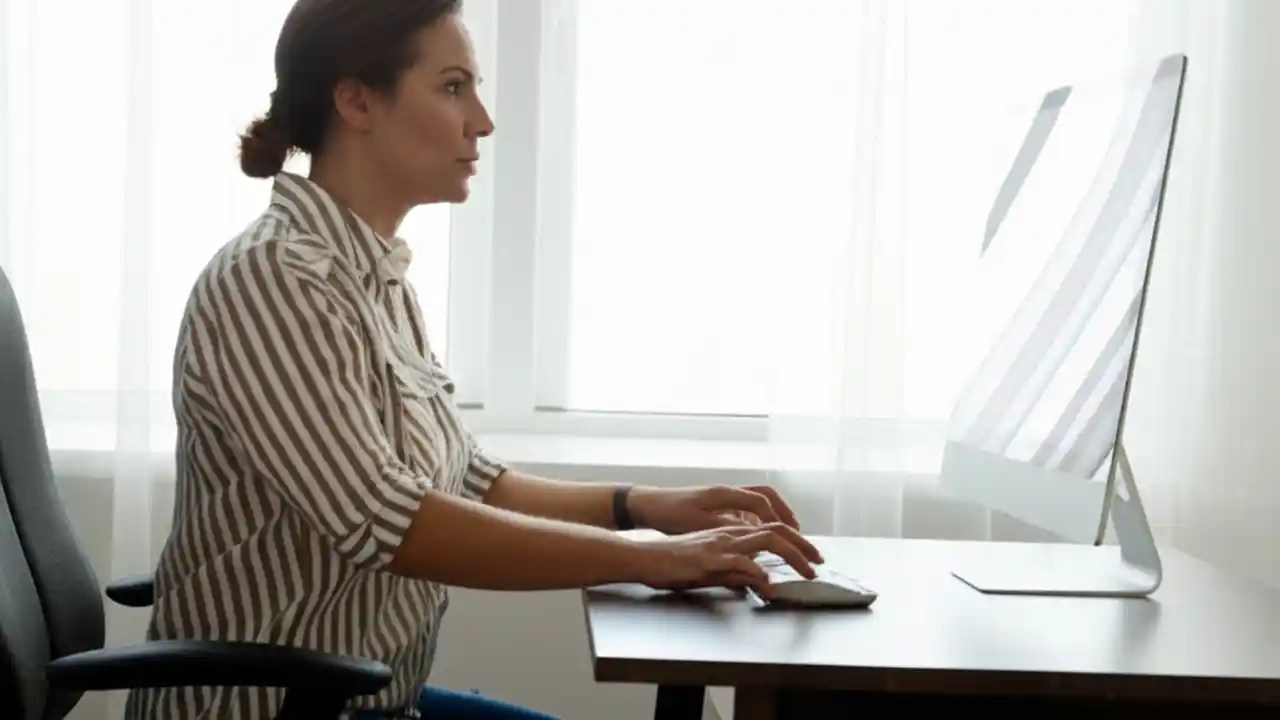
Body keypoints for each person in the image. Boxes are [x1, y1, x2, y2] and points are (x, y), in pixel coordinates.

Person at [123, 1, 822, 718]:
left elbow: (471, 481)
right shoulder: (273, 280)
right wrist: (648, 558)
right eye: (453, 87)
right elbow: (388, 521)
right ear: (357, 99)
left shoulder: (371, 279)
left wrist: (641, 506)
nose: (482, 121)